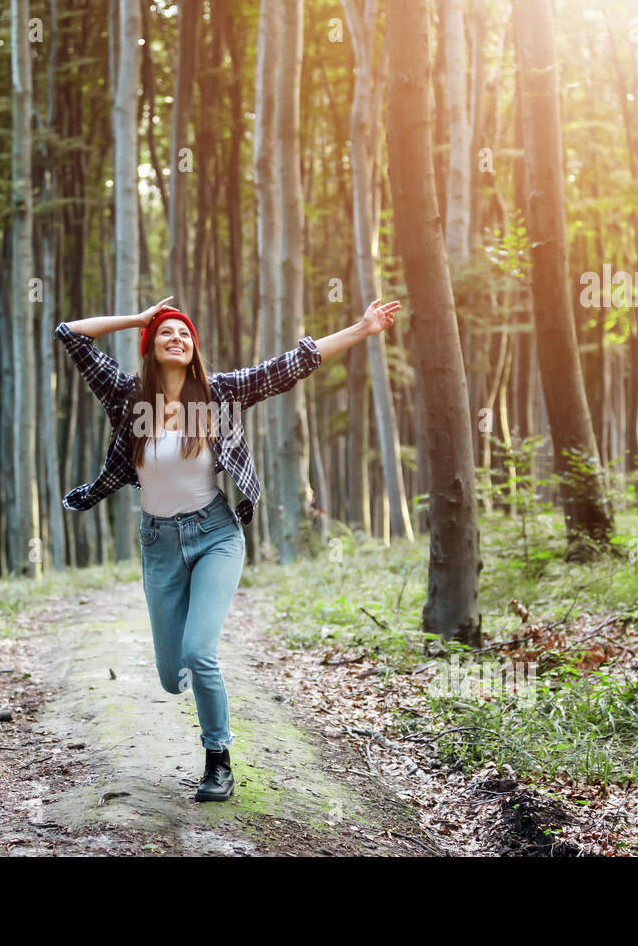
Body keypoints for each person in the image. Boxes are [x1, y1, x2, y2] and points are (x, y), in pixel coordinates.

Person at [54, 295, 400, 801]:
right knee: (174, 678)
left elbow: (292, 364)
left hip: (217, 533)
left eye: (185, 333)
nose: (177, 338)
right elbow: (70, 333)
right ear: (150, 346)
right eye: (165, 332)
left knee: (200, 653)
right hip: (159, 543)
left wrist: (361, 328)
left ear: (194, 349)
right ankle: (201, 698)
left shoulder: (220, 393)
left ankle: (218, 761)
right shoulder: (126, 396)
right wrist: (137, 318)